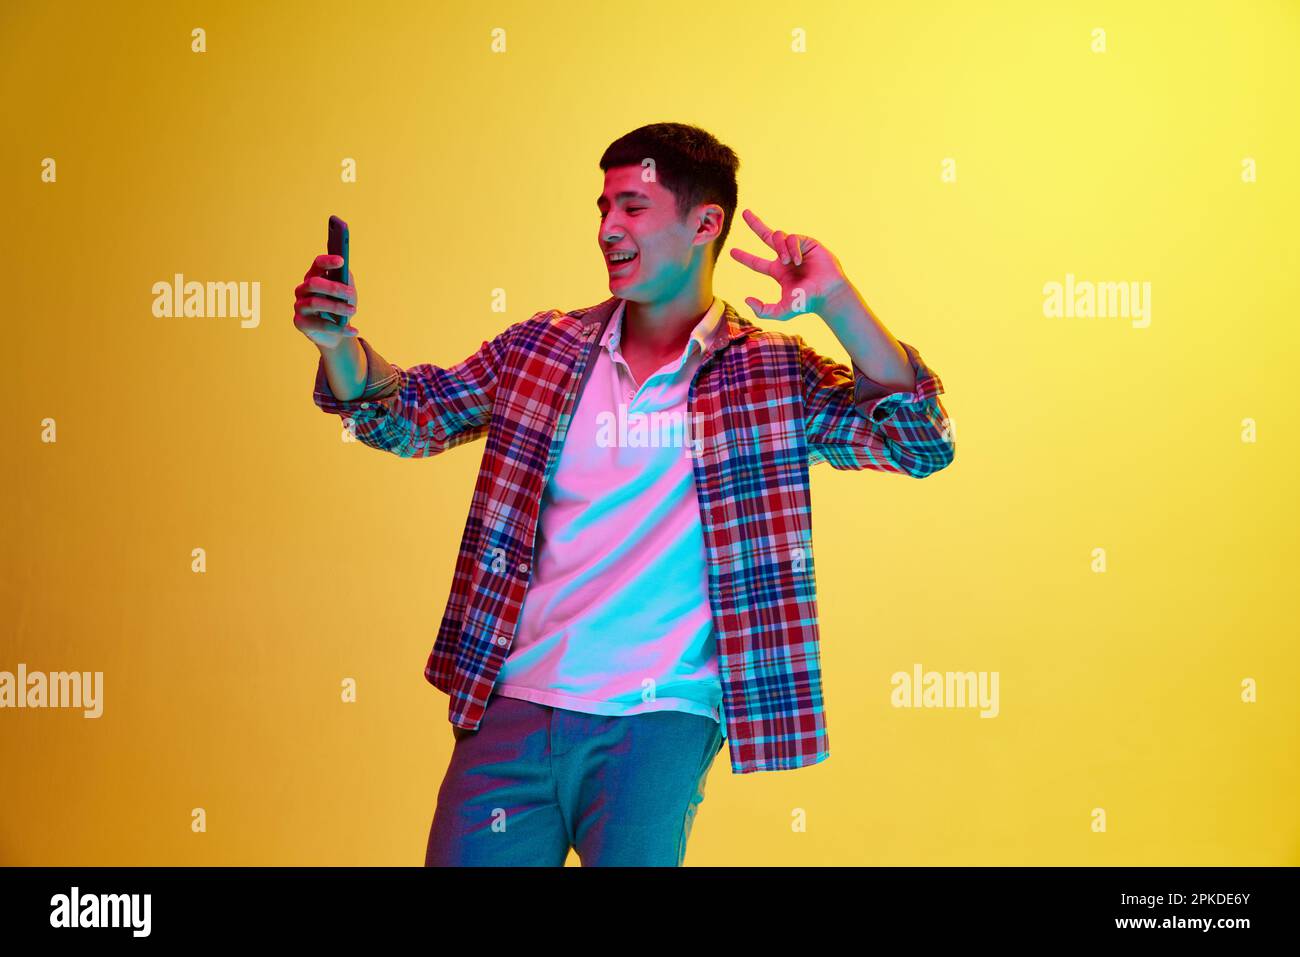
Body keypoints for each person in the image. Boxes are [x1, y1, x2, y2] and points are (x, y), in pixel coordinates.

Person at [294, 122, 955, 866]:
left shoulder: (768, 374)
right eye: (603, 208)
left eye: (632, 207)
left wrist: (835, 299)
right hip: (513, 702)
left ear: (705, 223)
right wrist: (336, 344)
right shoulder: (545, 347)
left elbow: (918, 441)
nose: (608, 228)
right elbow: (409, 414)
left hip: (659, 720)